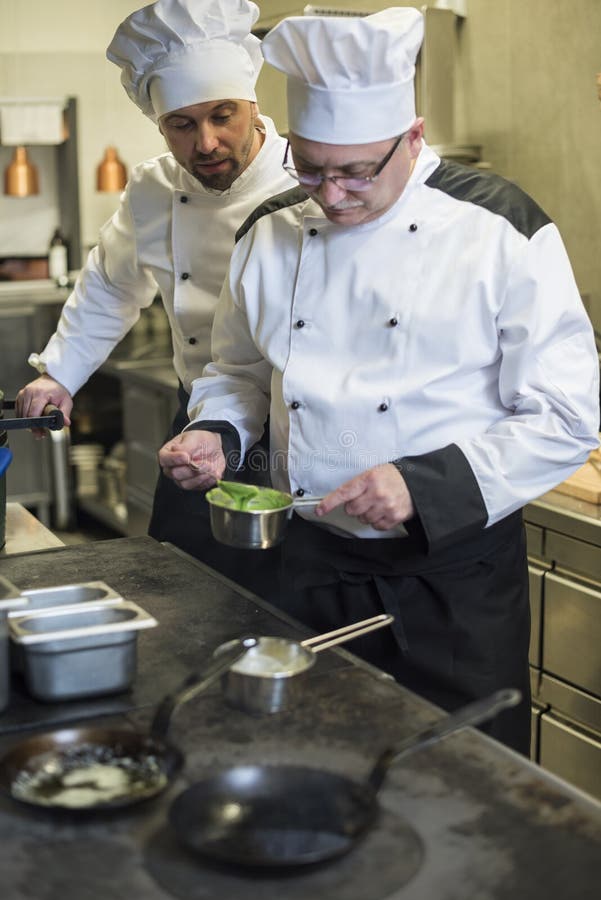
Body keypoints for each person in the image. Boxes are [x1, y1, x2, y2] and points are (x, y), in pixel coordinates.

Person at [157, 7, 600, 753]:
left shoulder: (499, 228)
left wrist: (419, 486)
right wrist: (215, 431)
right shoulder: (268, 229)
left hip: (449, 586)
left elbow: (563, 416)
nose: (329, 196)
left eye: (357, 170)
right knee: (310, 762)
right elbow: (238, 369)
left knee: (467, 778)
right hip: (305, 566)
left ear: (414, 138)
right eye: (310, 167)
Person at [15, 0, 294, 585]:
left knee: (285, 592)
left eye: (224, 116)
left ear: (253, 103)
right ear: (158, 122)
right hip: (200, 416)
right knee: (181, 576)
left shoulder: (308, 178)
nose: (207, 142)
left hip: (302, 426)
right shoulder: (152, 188)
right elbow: (111, 285)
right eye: (182, 125)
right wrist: (59, 373)